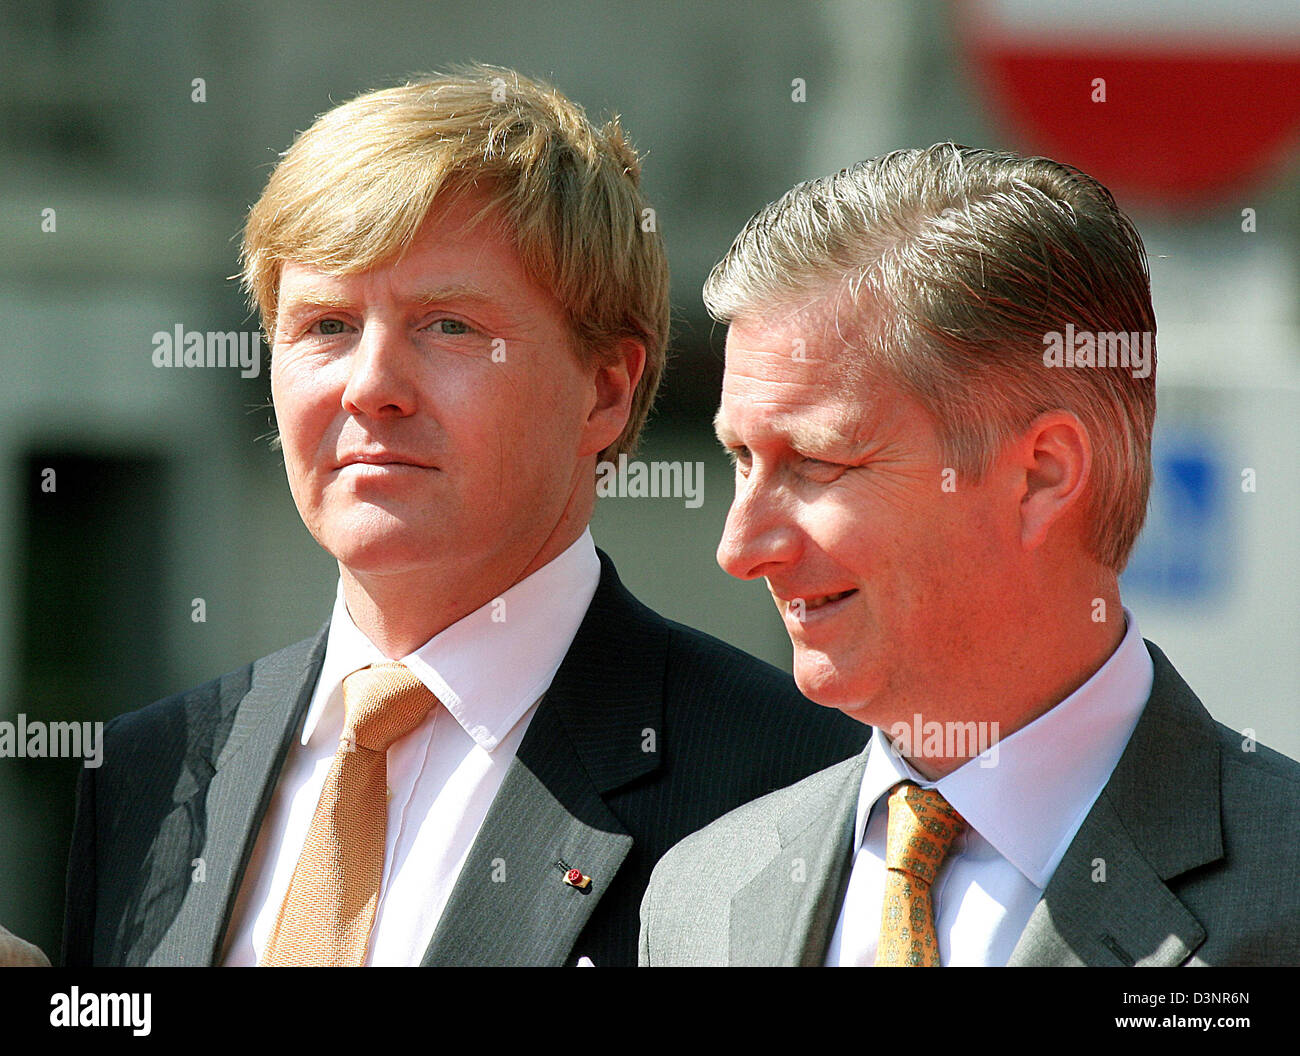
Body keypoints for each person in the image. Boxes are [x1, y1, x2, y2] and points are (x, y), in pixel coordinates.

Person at [60, 66, 866, 968]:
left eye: (447, 326)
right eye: (326, 326)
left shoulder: (799, 784)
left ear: (605, 390)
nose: (371, 387)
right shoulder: (151, 771)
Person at [639, 144, 1300, 967]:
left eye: (817, 461)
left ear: (1041, 475)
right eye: (741, 458)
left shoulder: (1281, 890)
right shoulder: (705, 897)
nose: (740, 549)